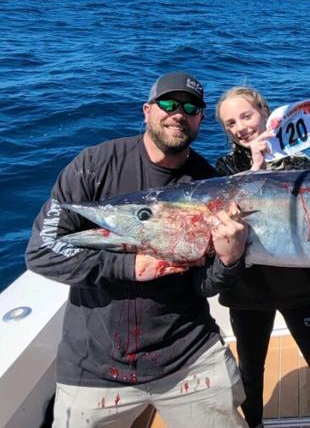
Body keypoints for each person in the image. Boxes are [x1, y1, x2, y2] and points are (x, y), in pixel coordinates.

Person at [25, 71, 251, 428]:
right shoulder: (94, 165)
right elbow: (42, 251)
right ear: (147, 110)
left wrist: (229, 259)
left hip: (187, 355)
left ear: (200, 120)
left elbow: (204, 285)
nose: (179, 113)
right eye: (168, 103)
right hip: (93, 365)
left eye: (190, 107)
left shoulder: (209, 184)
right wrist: (128, 267)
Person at [212, 86, 310, 428]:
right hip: (247, 293)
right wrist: (254, 169)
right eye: (230, 123)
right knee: (250, 371)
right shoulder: (223, 168)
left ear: (265, 114)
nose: (240, 127)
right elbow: (224, 208)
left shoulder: (299, 161)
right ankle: (253, 424)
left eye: (246, 116)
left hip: (303, 288)